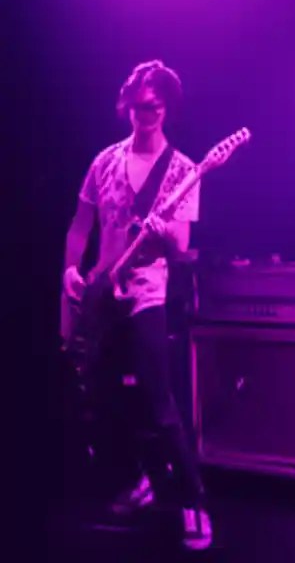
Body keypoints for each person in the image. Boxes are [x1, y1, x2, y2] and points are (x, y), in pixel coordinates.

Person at [62, 60, 212, 549]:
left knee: (158, 399)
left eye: (153, 104)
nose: (143, 112)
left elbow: (182, 247)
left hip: (148, 292)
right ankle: (140, 480)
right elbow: (81, 227)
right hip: (103, 292)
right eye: (136, 104)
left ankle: (194, 502)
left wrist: (164, 231)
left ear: (166, 106)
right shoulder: (104, 161)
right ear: (127, 104)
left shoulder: (184, 172)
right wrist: (71, 270)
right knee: (101, 398)